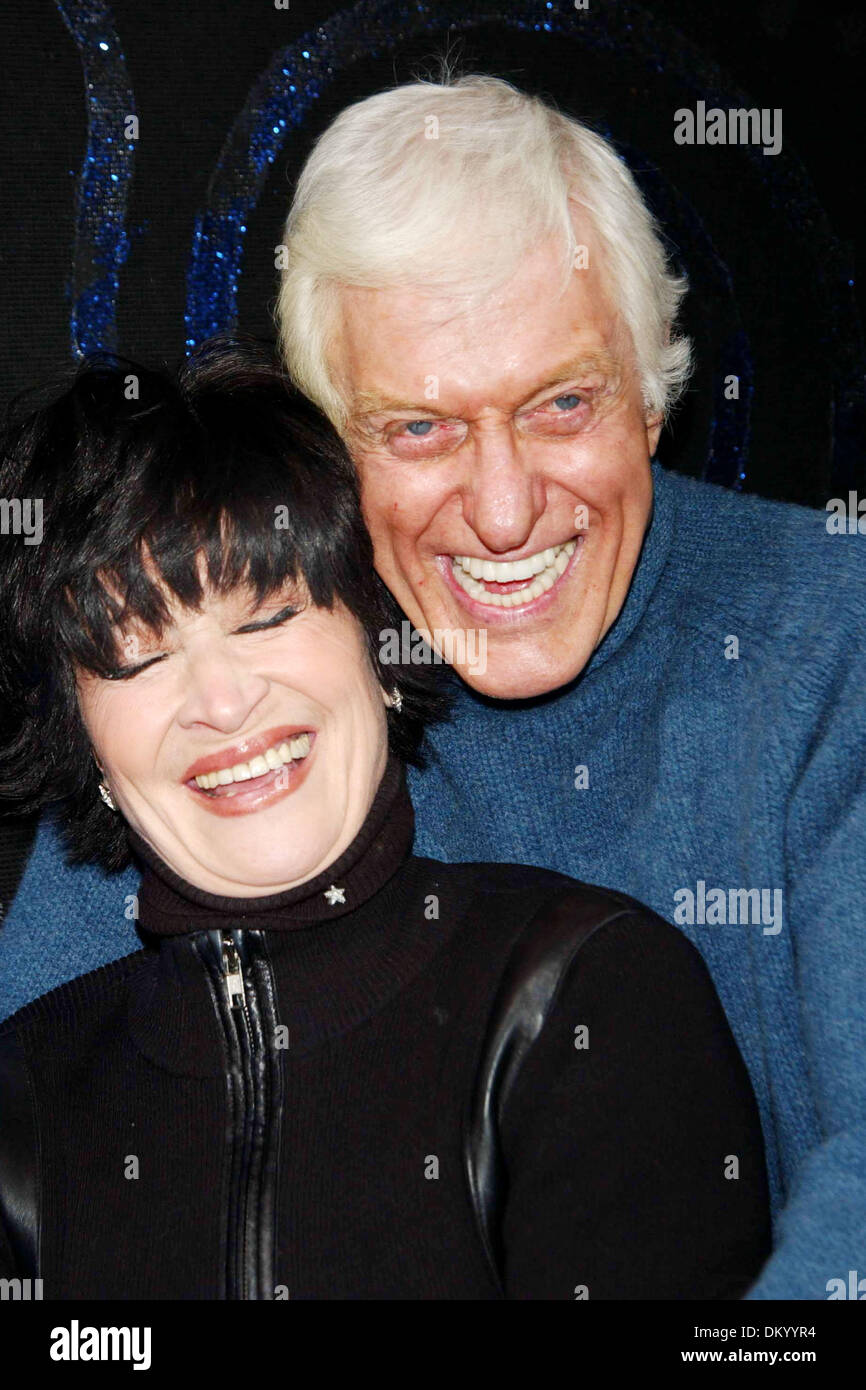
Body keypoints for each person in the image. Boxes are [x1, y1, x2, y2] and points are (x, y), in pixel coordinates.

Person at [2, 75, 864, 1299]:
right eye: (417, 428)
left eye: (563, 402)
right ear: (328, 455)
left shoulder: (832, 627)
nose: (505, 511)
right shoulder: (256, 697)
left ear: (654, 396)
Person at [0, 341, 769, 1299]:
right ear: (88, 749)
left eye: (267, 615)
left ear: (381, 643)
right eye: (137, 659)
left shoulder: (584, 992)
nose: (223, 700)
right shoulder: (24, 1098)